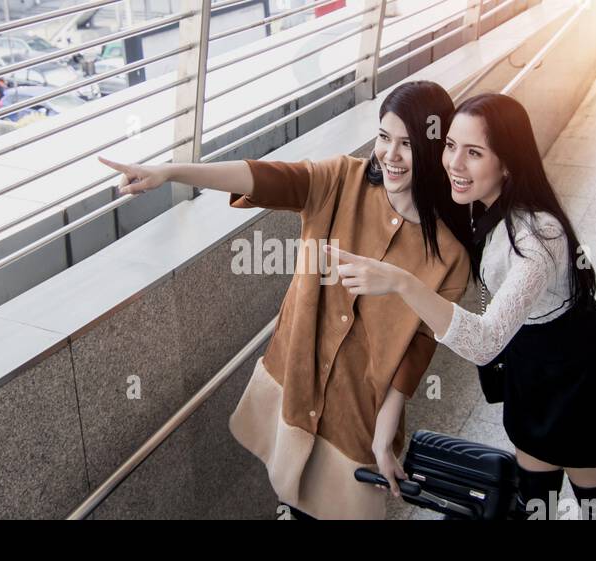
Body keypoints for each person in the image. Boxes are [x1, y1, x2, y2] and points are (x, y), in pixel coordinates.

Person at [99, 81, 472, 520]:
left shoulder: (450, 254)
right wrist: (172, 172)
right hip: (296, 390)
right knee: (292, 501)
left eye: (407, 144)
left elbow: (417, 351)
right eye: (384, 137)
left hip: (357, 419)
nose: (389, 155)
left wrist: (382, 434)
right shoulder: (341, 180)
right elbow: (265, 177)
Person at [329, 93, 596, 520]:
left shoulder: (539, 237)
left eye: (474, 152)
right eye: (450, 146)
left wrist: (400, 282)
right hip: (530, 361)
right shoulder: (478, 204)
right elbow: (396, 179)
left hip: (578, 373)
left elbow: (485, 343)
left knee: (595, 502)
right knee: (535, 490)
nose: (454, 164)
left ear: (508, 162)